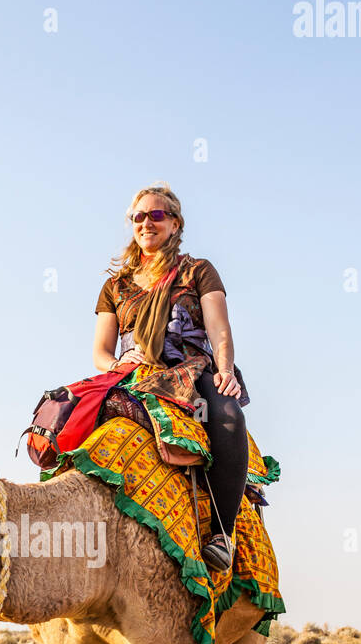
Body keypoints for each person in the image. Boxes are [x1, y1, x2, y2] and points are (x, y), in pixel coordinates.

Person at [93, 182, 249, 571]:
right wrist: (117, 365)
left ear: (175, 223)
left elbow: (219, 329)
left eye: (156, 215)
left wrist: (225, 370)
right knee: (67, 421)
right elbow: (100, 352)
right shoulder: (116, 286)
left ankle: (221, 533)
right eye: (139, 217)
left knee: (228, 418)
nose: (147, 223)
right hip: (132, 373)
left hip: (191, 372)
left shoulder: (197, 271)